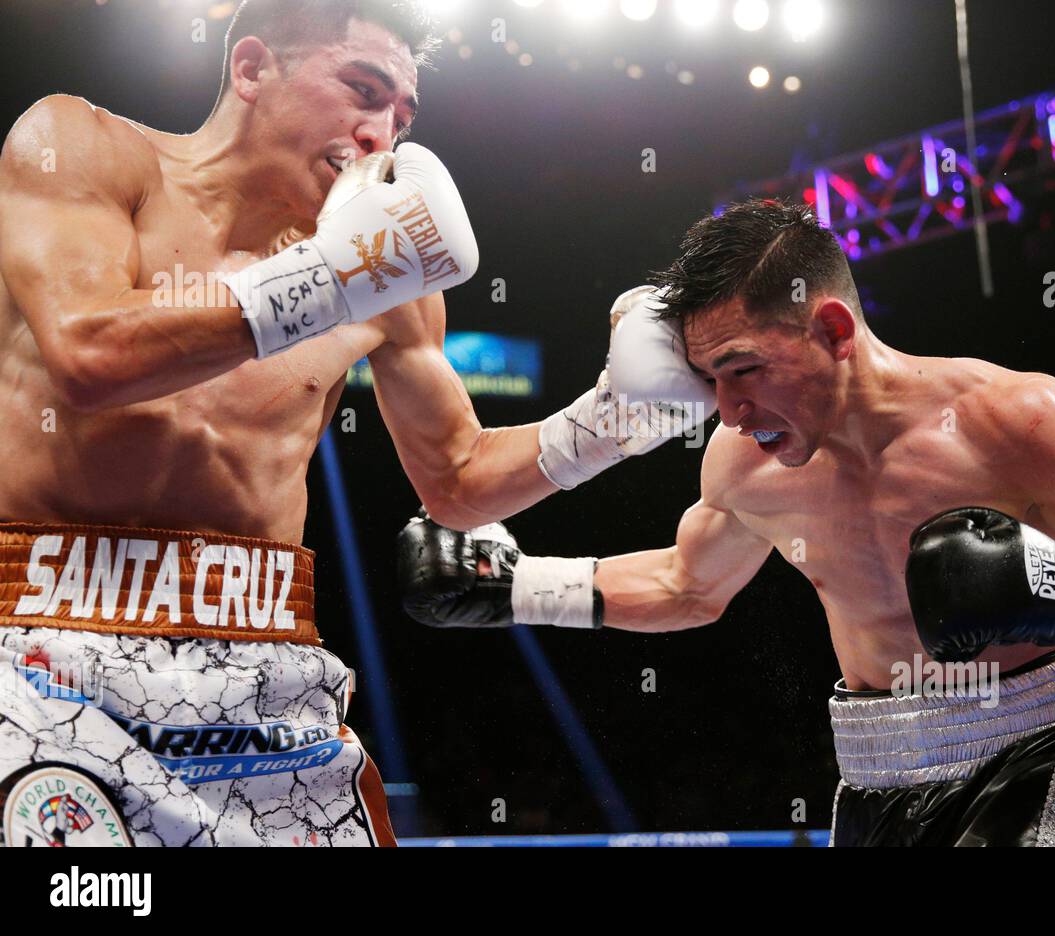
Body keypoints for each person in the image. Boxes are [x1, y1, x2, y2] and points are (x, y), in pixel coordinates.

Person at [0, 0, 707, 846]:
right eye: (362, 91)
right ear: (252, 68)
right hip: (45, 645)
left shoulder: (387, 268)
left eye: (401, 115)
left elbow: (457, 482)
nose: (381, 133)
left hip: (265, 657)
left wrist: (619, 417)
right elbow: (87, 356)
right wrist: (333, 276)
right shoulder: (87, 146)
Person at [399, 198, 1055, 847]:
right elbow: (687, 586)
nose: (726, 408)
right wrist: (515, 587)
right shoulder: (743, 464)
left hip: (1039, 751)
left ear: (832, 328)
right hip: (873, 774)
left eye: (744, 369)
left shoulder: (1020, 420)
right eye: (709, 380)